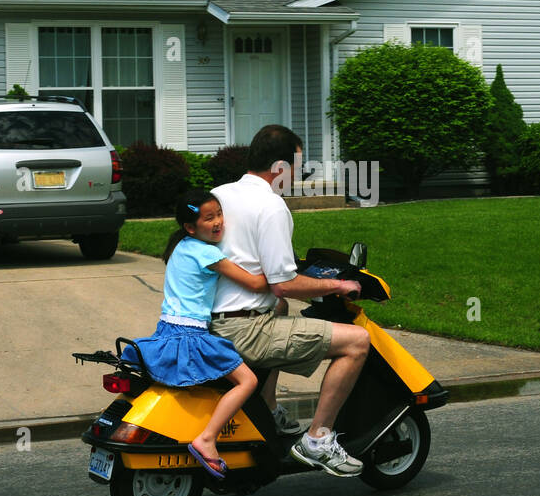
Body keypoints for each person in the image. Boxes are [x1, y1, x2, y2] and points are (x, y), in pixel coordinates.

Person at [211, 125, 371, 477]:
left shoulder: (218, 195)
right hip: (244, 330)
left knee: (279, 310)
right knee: (358, 342)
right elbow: (283, 284)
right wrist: (338, 286)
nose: (298, 177)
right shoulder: (272, 206)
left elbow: (268, 284)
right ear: (279, 168)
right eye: (298, 168)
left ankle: (267, 411)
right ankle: (318, 439)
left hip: (212, 321)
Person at [122, 189, 269, 478]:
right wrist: (280, 276)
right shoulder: (207, 253)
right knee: (247, 380)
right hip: (190, 335)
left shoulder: (181, 245)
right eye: (209, 218)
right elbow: (253, 284)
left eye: (219, 214)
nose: (218, 223)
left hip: (166, 329)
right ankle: (207, 438)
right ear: (191, 227)